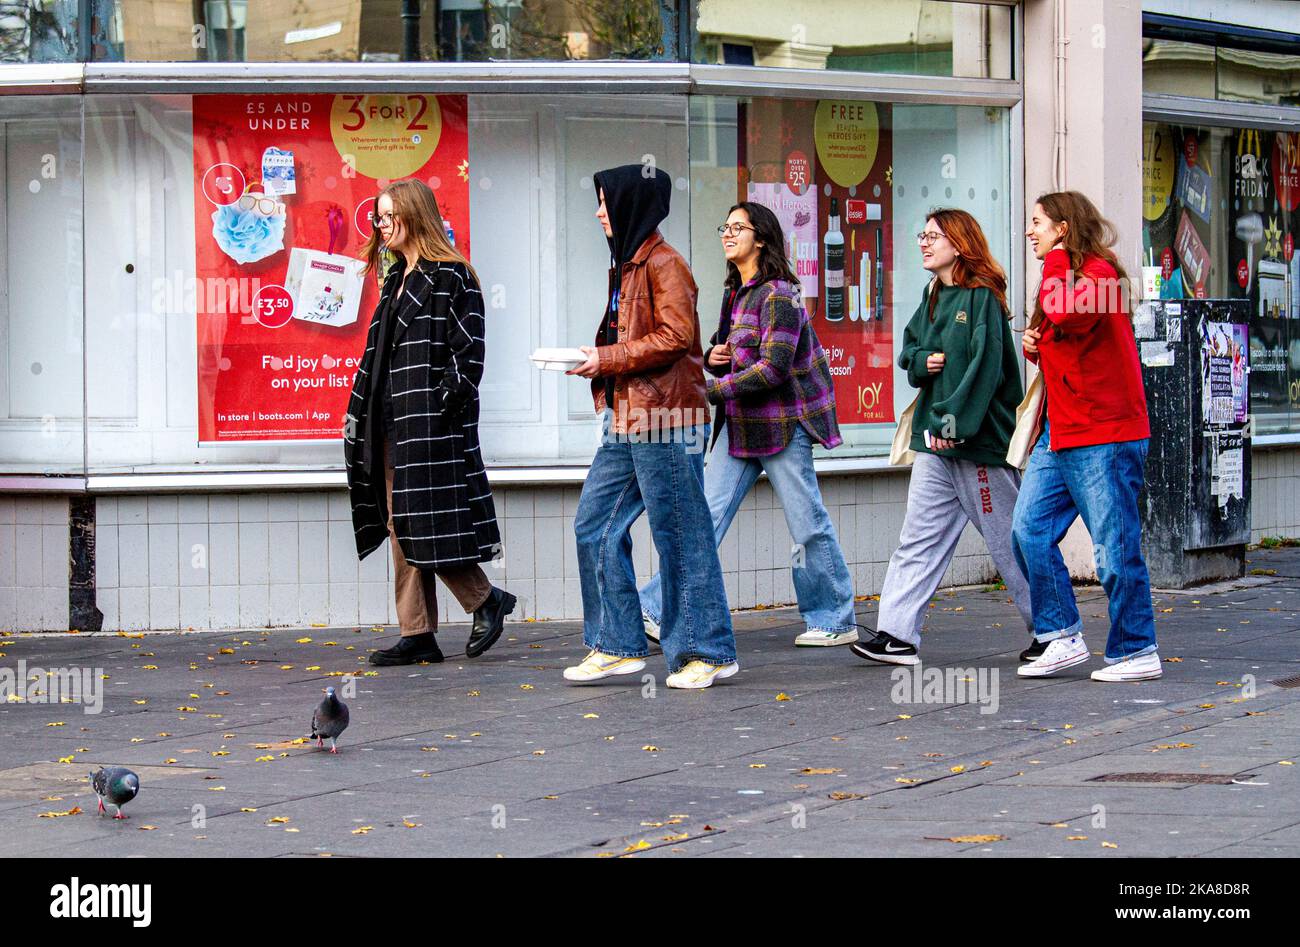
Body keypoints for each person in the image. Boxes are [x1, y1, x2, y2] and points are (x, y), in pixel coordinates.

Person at [637, 201, 857, 648]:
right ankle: (656, 607)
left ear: (761, 237)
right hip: (740, 427)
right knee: (702, 518)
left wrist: (709, 390)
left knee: (807, 523)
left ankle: (834, 619)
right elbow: (738, 353)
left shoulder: (780, 293)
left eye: (738, 227)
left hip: (781, 427)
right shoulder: (736, 291)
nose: (728, 233)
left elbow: (772, 369)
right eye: (726, 225)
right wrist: (717, 355)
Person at [562, 164, 738, 690]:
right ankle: (616, 644)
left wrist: (605, 358)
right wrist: (599, 361)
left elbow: (676, 338)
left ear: (630, 205)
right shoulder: (630, 264)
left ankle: (707, 651)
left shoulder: (665, 264)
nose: (598, 213)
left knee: (680, 534)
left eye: (604, 202)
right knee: (594, 525)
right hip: (629, 418)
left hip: (667, 417)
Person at [343, 179, 515, 666]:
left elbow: (469, 358)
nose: (380, 225)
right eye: (378, 217)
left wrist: (442, 406)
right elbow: (377, 357)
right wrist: (358, 414)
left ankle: (483, 599)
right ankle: (417, 630)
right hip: (393, 425)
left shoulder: (452, 276)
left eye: (388, 216)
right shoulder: (396, 278)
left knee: (422, 525)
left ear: (414, 215)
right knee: (403, 526)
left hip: (434, 426)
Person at [851, 208, 1033, 665]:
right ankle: (896, 635)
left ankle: (1054, 630)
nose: (924, 242)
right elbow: (910, 349)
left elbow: (986, 370)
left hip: (978, 446)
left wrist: (956, 423)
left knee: (1009, 541)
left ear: (959, 242)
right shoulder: (934, 295)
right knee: (918, 539)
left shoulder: (982, 299)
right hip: (936, 442)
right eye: (923, 234)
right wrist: (922, 361)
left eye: (934, 236)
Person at [1013, 191, 1160, 681]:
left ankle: (1137, 650)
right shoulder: (1068, 277)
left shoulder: (1100, 274)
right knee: (1029, 531)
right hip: (1064, 430)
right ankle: (1061, 635)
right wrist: (1037, 346)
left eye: (1037, 223)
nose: (1029, 232)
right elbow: (1068, 344)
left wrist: (1056, 260)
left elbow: (1070, 314)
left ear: (1063, 227)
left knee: (1114, 549)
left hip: (1105, 434)